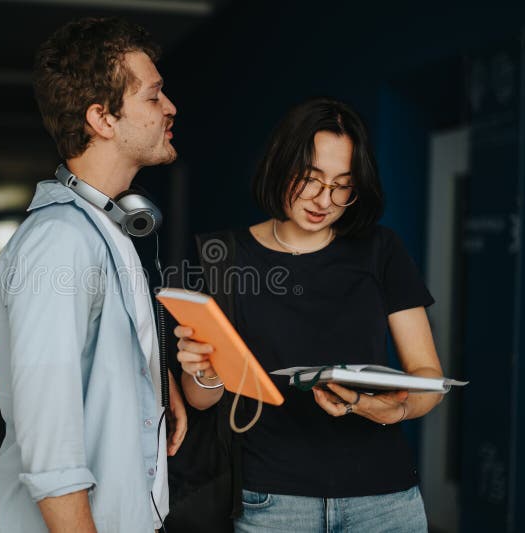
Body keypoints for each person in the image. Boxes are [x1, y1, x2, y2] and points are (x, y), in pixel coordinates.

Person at [173, 97, 443, 532]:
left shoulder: (381, 251)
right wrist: (204, 371)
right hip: (273, 501)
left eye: (342, 185)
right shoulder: (226, 257)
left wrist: (393, 410)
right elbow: (203, 398)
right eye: (310, 179)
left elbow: (428, 377)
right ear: (281, 166)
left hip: (385, 499)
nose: (325, 199)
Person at [0, 17, 187, 533]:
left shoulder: (107, 227)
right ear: (103, 118)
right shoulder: (61, 242)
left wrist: (158, 384)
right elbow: (49, 442)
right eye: (154, 96)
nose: (170, 108)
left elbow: (100, 352)